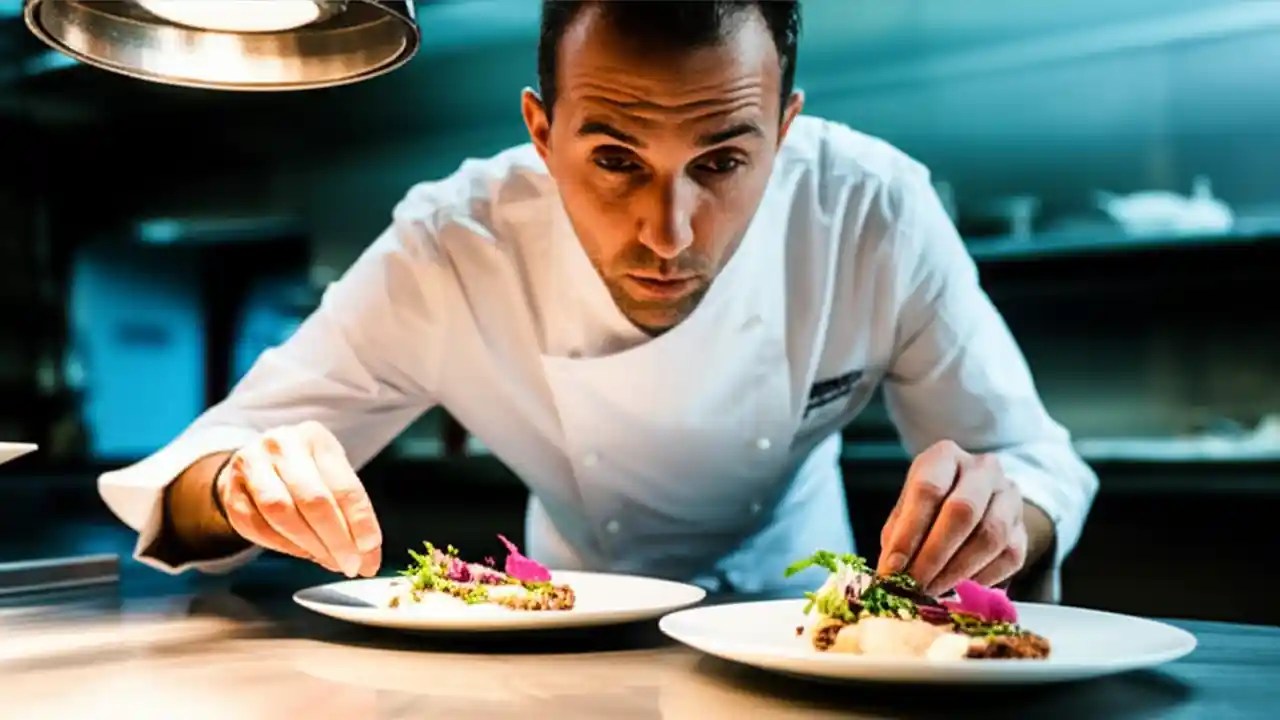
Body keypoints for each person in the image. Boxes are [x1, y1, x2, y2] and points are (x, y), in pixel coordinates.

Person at [98, 0, 1097, 600]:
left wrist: (1001, 516)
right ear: (541, 132)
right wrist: (239, 487)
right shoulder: (453, 247)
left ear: (785, 130)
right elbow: (194, 477)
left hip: (807, 629)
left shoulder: (871, 211)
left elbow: (1031, 463)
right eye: (616, 159)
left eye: (722, 162)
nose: (668, 232)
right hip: (566, 636)